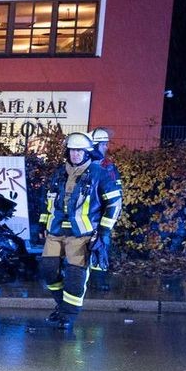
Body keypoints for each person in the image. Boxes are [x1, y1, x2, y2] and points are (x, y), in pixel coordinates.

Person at [38, 132, 123, 328]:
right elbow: (48, 201)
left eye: (79, 150)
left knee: (75, 276)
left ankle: (68, 315)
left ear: (87, 153)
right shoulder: (59, 173)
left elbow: (114, 204)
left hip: (82, 233)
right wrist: (43, 223)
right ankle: (62, 306)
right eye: (72, 150)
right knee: (48, 270)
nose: (75, 154)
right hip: (56, 230)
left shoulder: (99, 174)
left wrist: (103, 233)